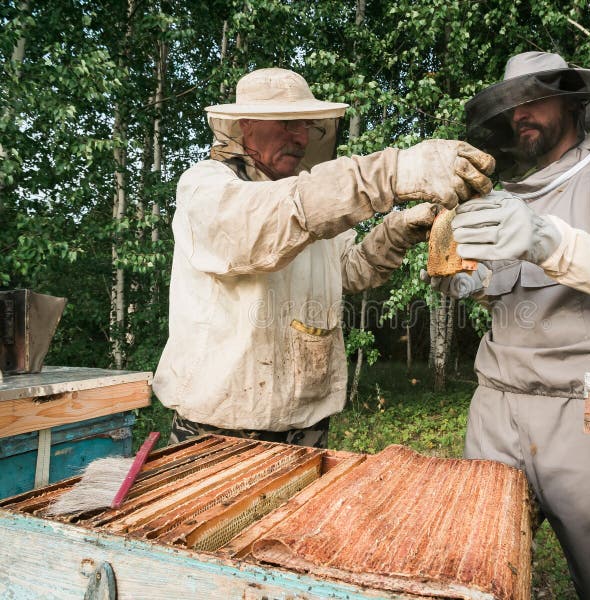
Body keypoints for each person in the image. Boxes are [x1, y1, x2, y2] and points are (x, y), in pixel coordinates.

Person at [425, 52, 590, 598]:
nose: (520, 113)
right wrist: (456, 275)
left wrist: (552, 242)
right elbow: (487, 283)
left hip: (586, 416)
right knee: (477, 571)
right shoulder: (503, 198)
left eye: (534, 98)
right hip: (495, 408)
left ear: (573, 101)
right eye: (511, 105)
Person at [153, 68, 494, 448]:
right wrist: (390, 173)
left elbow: (350, 269)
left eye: (305, 126)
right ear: (245, 126)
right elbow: (263, 225)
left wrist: (400, 229)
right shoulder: (208, 186)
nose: (300, 137)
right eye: (286, 125)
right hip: (221, 424)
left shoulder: (311, 197)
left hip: (307, 420)